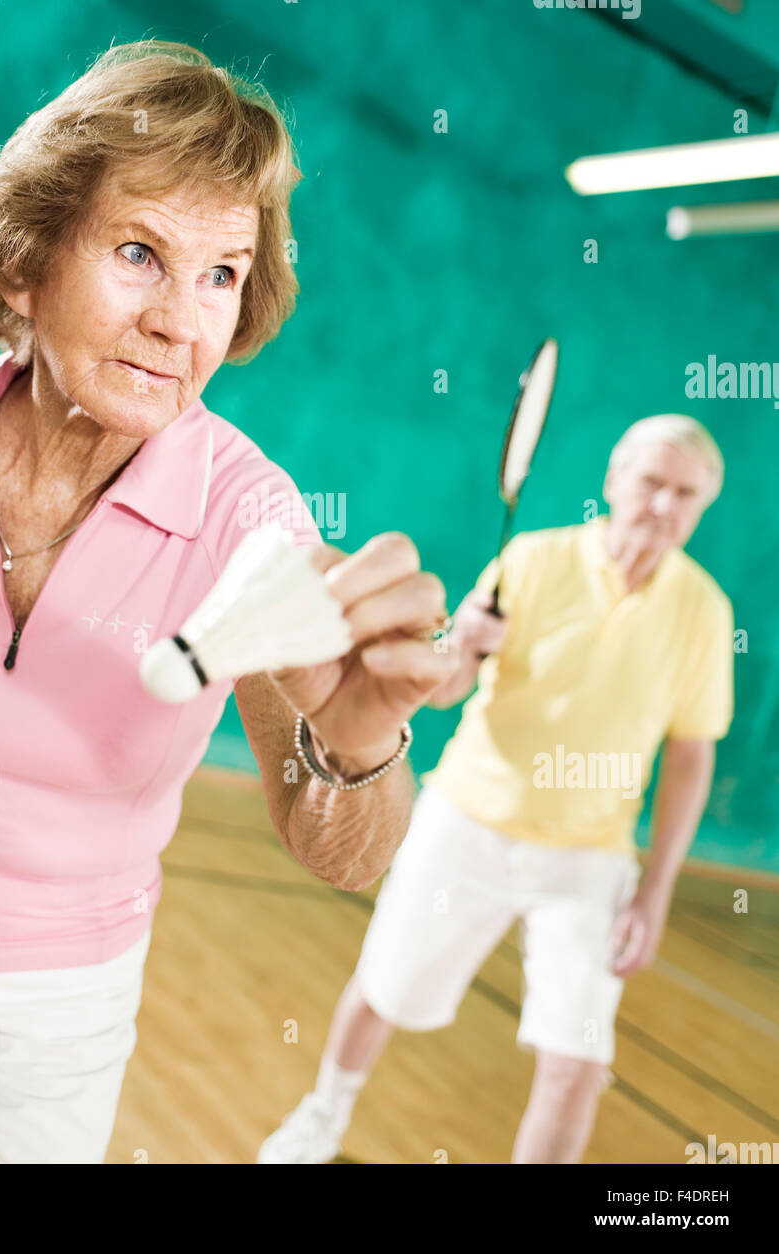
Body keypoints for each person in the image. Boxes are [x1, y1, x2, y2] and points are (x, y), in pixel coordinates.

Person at [0, 40, 458, 1164]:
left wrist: (355, 741)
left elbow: (340, 849)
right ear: (25, 261)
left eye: (220, 274)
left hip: (48, 1008)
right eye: (138, 253)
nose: (181, 321)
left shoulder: (250, 524)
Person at [258, 415, 734, 1165]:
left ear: (702, 506)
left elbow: (690, 758)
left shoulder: (705, 612)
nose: (663, 505)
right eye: (651, 482)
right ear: (614, 481)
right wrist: (461, 644)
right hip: (466, 821)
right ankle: (323, 1115)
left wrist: (655, 892)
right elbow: (444, 690)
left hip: (588, 858)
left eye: (686, 494)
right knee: (382, 991)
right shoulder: (533, 559)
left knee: (578, 1062)